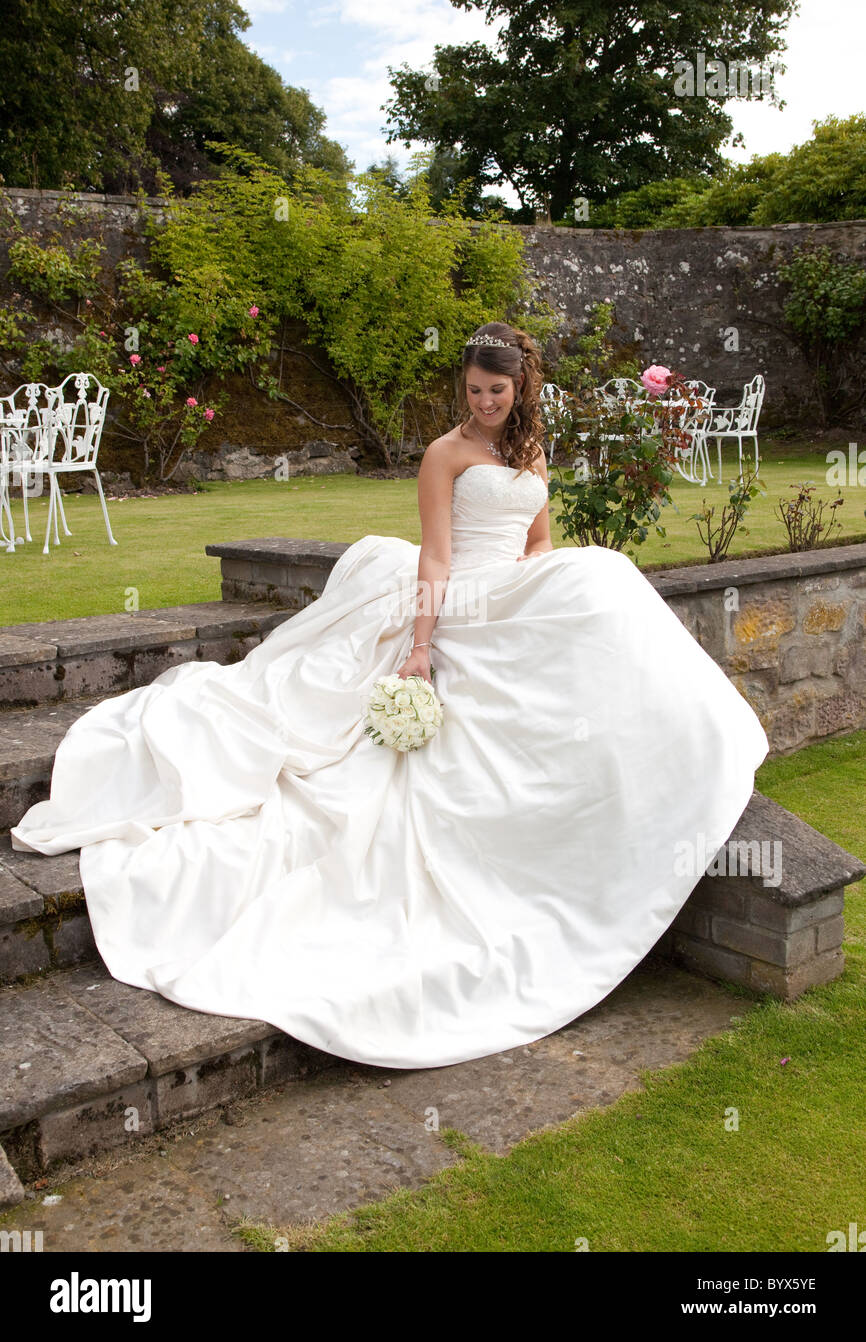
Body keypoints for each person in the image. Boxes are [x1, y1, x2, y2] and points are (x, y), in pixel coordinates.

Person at [10, 321, 769, 1071]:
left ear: (522, 386)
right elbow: (436, 556)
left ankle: (698, 739)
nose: (483, 403)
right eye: (473, 390)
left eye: (496, 391)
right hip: (455, 597)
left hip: (509, 589)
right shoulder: (445, 454)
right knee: (602, 578)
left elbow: (538, 544)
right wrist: (418, 646)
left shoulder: (533, 448)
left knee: (598, 578)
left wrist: (533, 589)